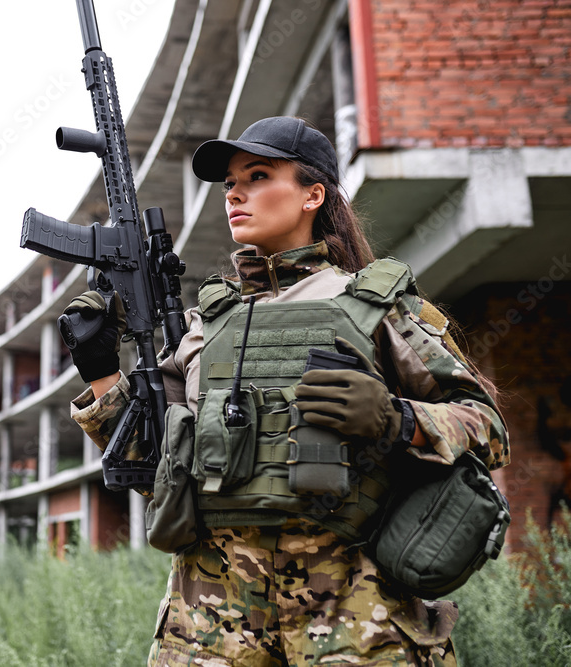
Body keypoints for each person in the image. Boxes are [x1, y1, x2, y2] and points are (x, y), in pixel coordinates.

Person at [63, 116, 510, 666]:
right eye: (230, 184)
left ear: (312, 195)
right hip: (210, 619)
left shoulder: (378, 307)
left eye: (257, 176)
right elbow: (156, 469)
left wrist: (398, 420)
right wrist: (101, 372)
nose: (235, 194)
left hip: (354, 612)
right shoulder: (204, 327)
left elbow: (487, 428)